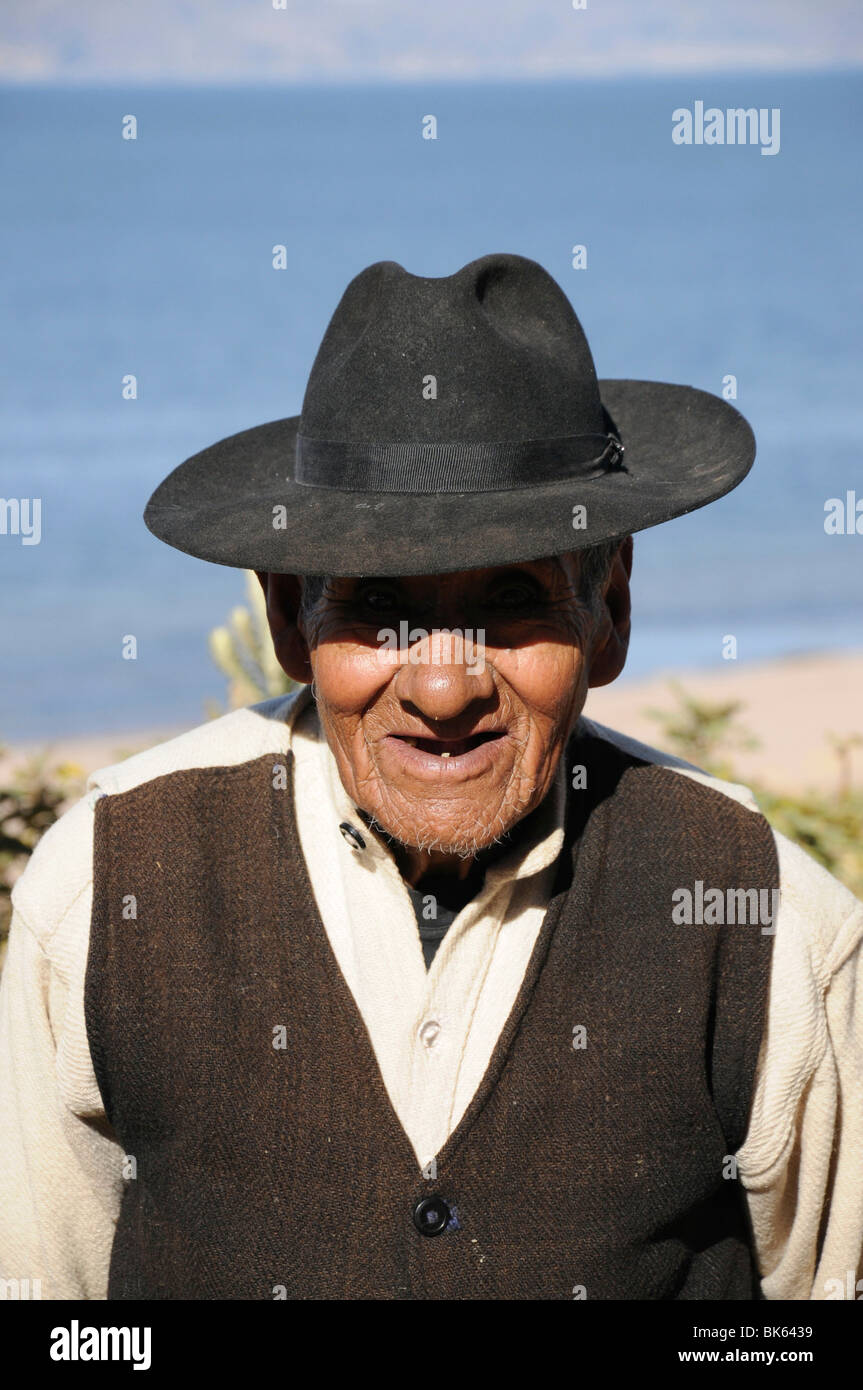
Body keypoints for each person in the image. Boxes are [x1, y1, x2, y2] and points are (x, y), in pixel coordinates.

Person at [1, 254, 861, 1300]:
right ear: (285, 617)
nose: (444, 687)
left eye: (511, 597)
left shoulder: (769, 929)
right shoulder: (101, 896)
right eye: (375, 604)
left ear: (610, 611)